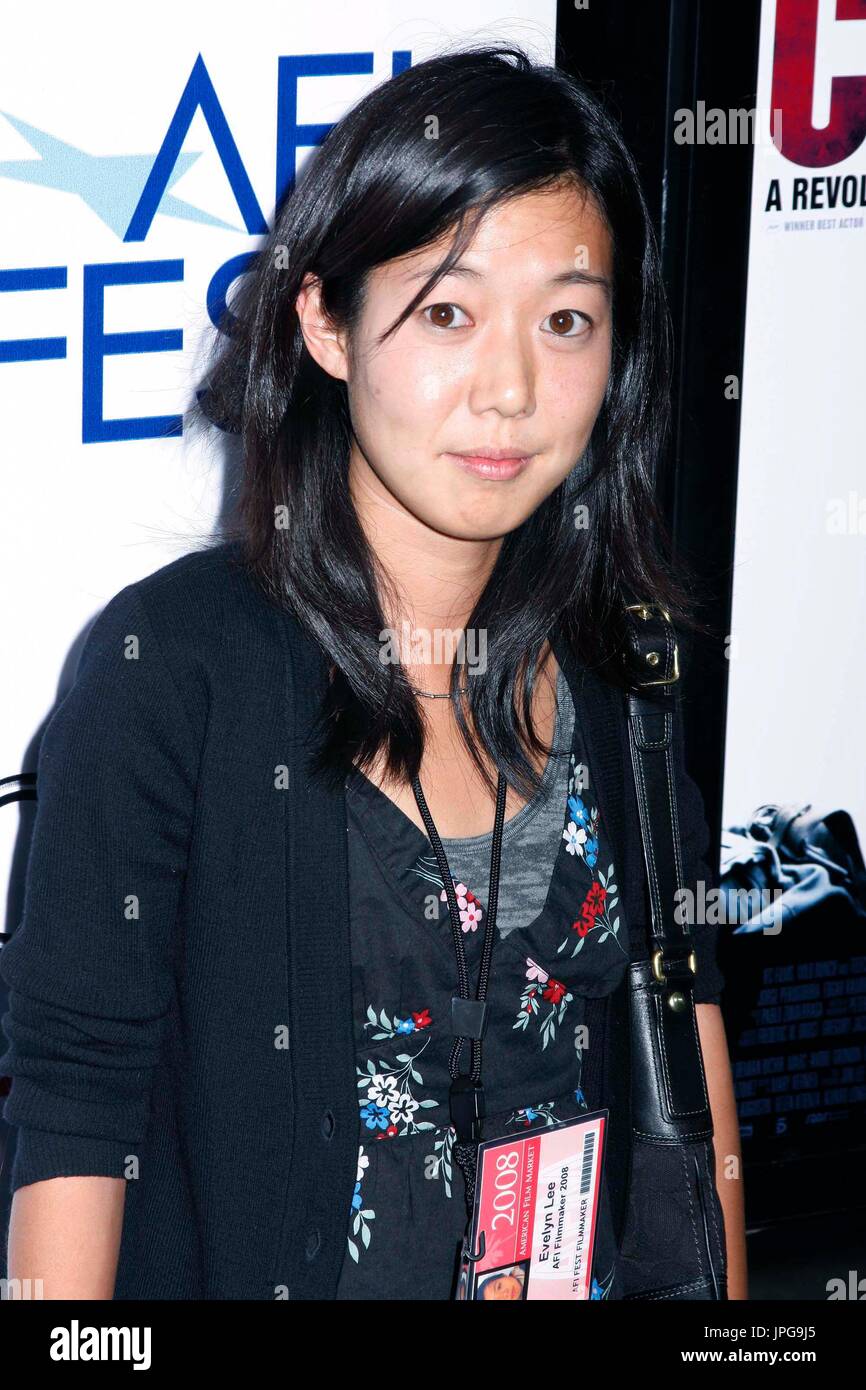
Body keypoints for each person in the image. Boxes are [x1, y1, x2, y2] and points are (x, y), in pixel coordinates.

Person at [0, 43, 746, 1300]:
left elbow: (690, 1048)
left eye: (565, 319)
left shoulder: (622, 671)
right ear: (325, 323)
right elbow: (77, 1115)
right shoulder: (171, 672)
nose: (507, 388)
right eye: (445, 312)